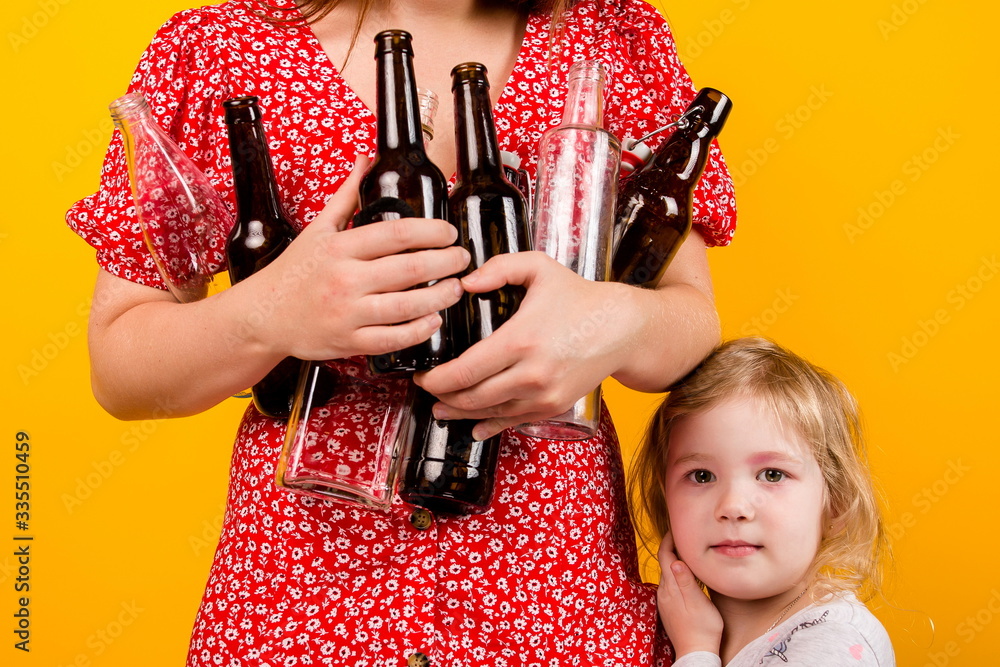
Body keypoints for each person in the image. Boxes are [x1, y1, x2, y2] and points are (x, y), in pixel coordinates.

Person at [67, 0, 736, 663]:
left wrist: (610, 323)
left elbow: (688, 322)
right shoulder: (220, 46)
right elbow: (122, 368)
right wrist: (267, 311)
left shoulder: (609, 32)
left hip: (549, 598)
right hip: (304, 600)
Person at [631, 338, 894, 666]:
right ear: (665, 497)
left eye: (772, 474)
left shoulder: (833, 643)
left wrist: (696, 651)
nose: (733, 507)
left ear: (836, 502)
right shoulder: (667, 626)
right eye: (701, 476)